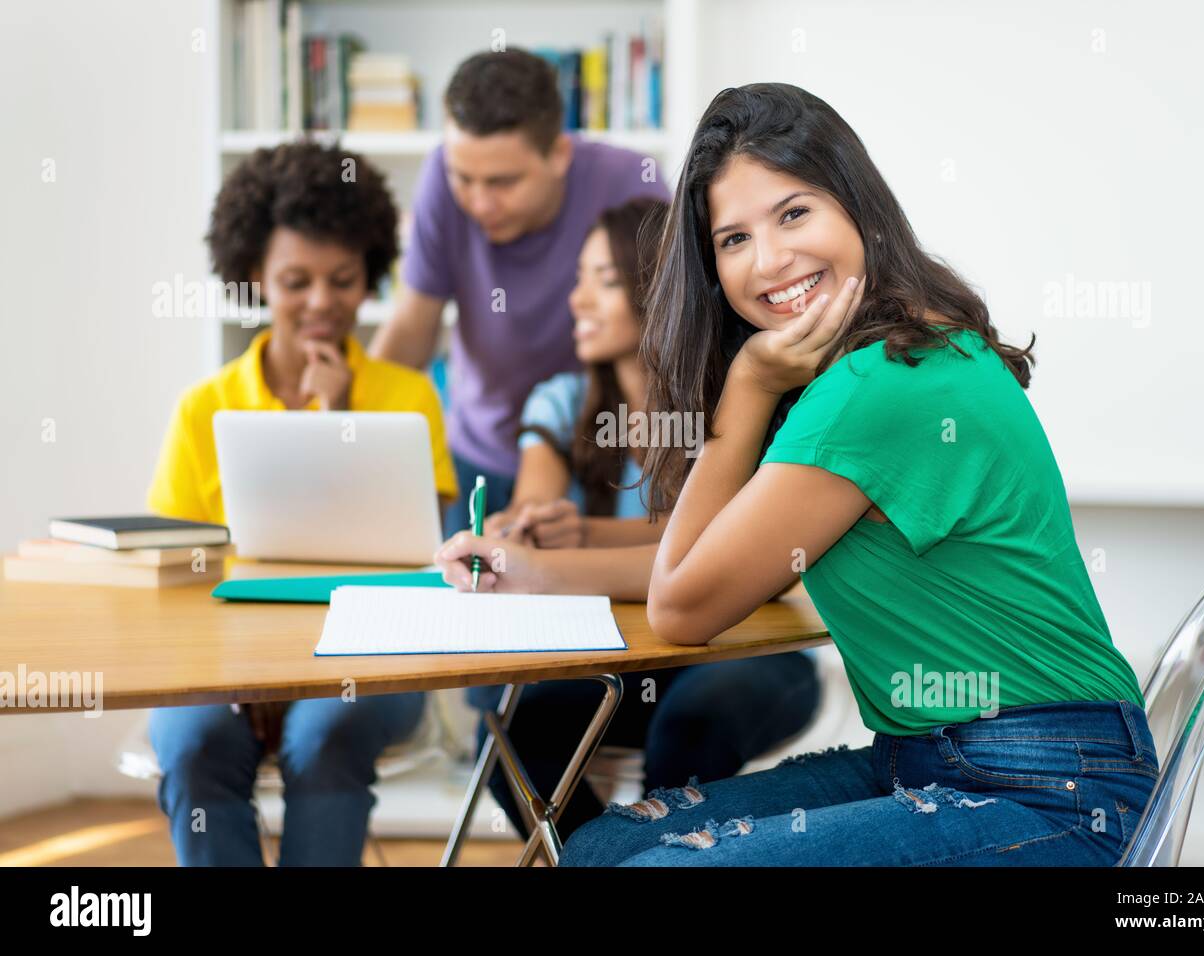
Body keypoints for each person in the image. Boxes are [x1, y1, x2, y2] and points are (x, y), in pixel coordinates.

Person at [440, 83, 1159, 866]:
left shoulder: (878, 383)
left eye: (793, 214)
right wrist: (537, 570)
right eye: (734, 239)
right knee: (604, 846)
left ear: (859, 208)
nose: (770, 260)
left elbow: (682, 606)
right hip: (930, 757)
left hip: (1049, 787)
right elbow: (717, 559)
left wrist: (748, 383)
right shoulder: (864, 364)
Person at [437, 198, 819, 842]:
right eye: (580, 278)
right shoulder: (563, 403)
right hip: (622, 663)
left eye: (604, 281)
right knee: (507, 737)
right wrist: (522, 528)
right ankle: (618, 859)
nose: (578, 300)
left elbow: (710, 551)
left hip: (738, 649)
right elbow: (536, 500)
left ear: (662, 294)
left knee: (693, 727)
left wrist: (559, 555)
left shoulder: (746, 396)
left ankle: (653, 856)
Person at [146, 140, 458, 866]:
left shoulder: (406, 398)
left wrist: (342, 418)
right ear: (255, 276)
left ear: (369, 276)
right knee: (193, 746)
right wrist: (250, 674)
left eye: (342, 280)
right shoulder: (205, 409)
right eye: (295, 281)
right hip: (221, 665)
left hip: (374, 662)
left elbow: (424, 563)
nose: (321, 302)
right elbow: (172, 575)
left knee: (326, 737)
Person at [370, 48, 670, 535]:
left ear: (558, 155)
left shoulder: (627, 184)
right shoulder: (439, 183)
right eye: (463, 178)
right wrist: (355, 433)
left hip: (603, 446)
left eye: (503, 182)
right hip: (481, 448)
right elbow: (412, 325)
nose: (479, 202)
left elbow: (678, 316)